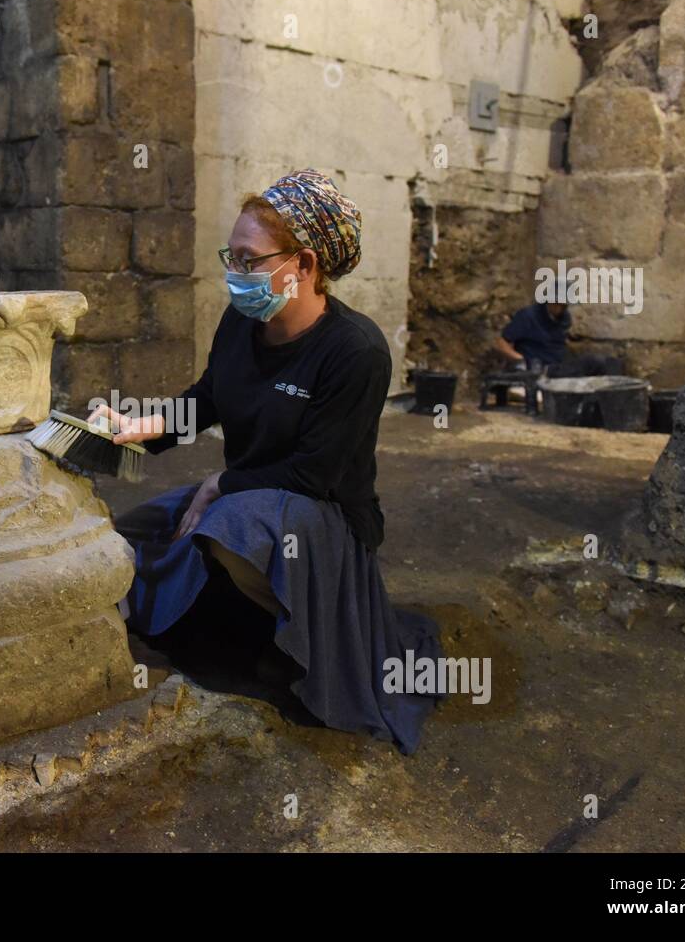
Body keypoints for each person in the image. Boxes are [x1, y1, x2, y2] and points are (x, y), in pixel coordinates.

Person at [88, 169, 444, 755]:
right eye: (233, 255)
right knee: (131, 532)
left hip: (322, 515)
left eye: (250, 259)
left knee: (227, 526)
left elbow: (314, 473)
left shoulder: (355, 352)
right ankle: (243, 617)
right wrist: (137, 427)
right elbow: (207, 399)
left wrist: (217, 485)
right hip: (252, 497)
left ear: (303, 266)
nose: (235, 273)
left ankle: (297, 637)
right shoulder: (242, 322)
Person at [494, 299, 623, 378]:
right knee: (595, 362)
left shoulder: (564, 318)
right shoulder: (529, 316)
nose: (560, 307)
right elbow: (502, 343)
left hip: (560, 366)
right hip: (544, 370)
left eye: (563, 305)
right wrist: (522, 361)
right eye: (558, 303)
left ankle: (616, 399)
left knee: (610, 363)